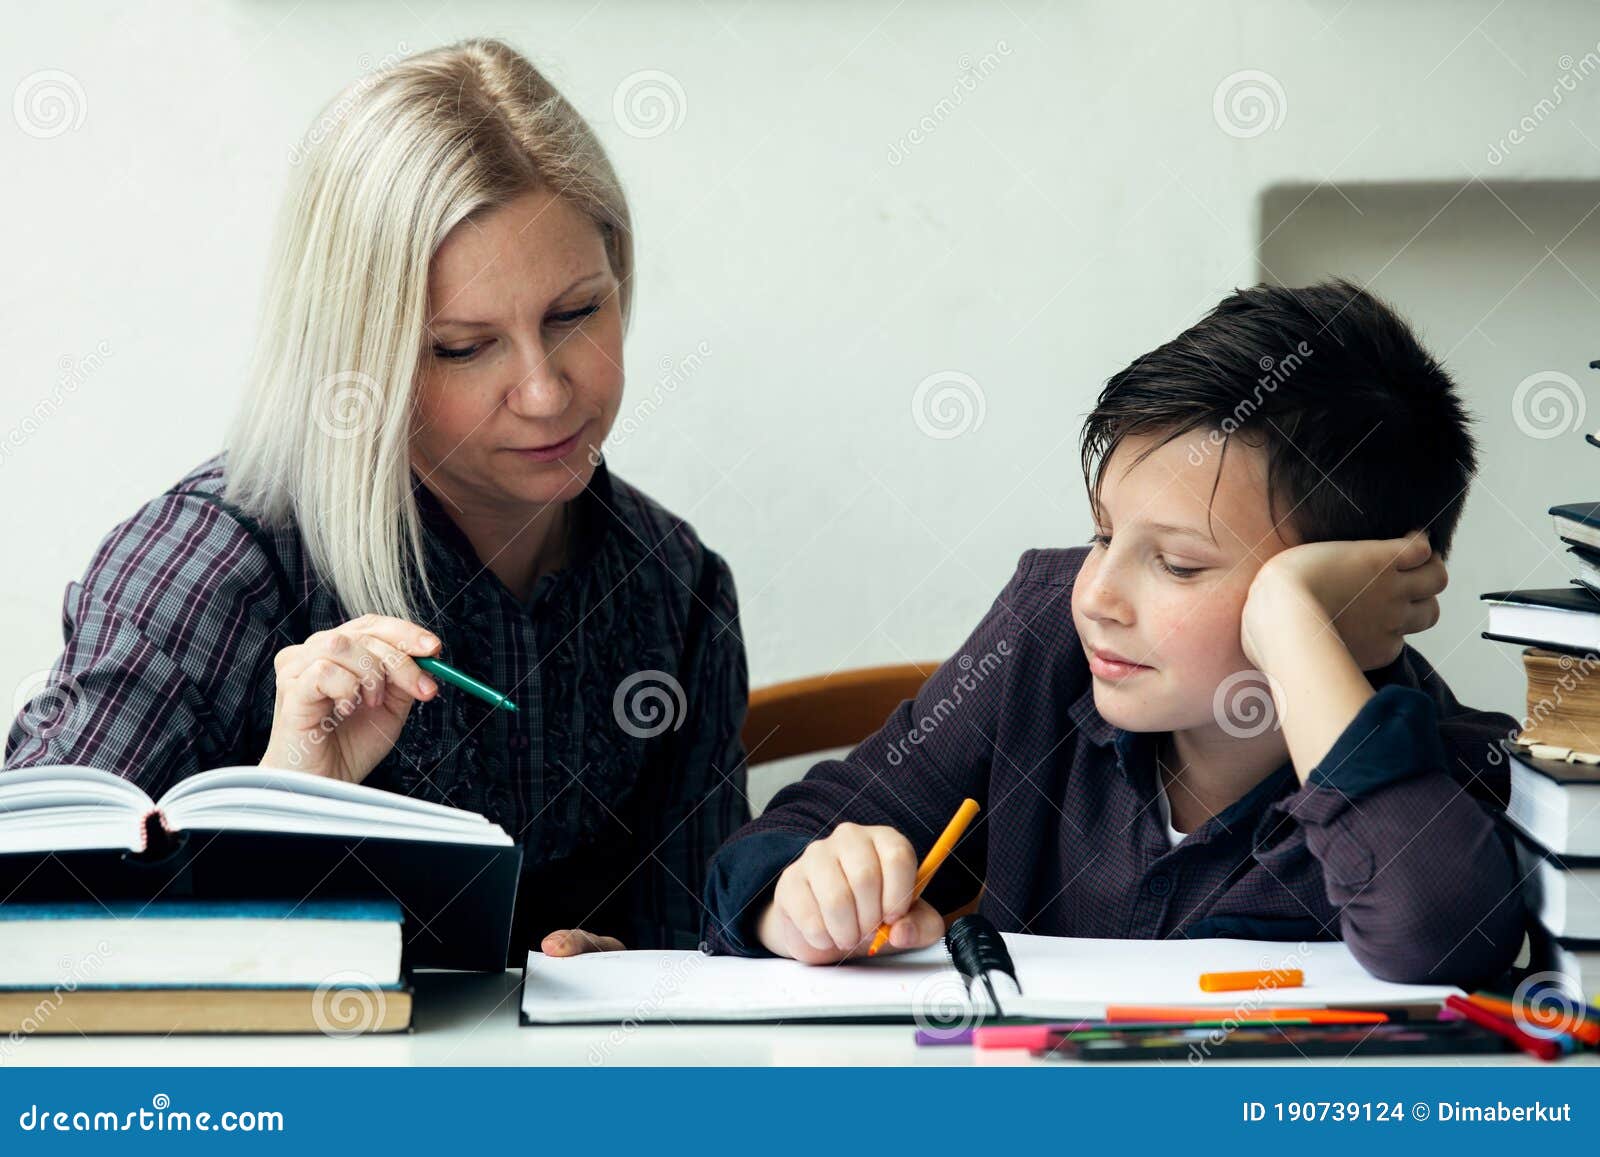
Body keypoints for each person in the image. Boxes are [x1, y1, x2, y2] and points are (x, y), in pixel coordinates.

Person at [5, 38, 749, 959]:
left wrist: (644, 989)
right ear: (359, 354)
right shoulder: (206, 566)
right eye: (461, 347)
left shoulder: (677, 585)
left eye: (576, 313)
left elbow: (706, 971)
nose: (548, 391)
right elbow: (26, 929)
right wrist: (280, 799)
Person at [703, 280, 1524, 987]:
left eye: (1176, 563)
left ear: (1354, 590)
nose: (1095, 594)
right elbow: (794, 829)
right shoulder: (1044, 636)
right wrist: (797, 896)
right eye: (1103, 535)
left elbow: (1438, 932)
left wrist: (1290, 619)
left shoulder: (1435, 774)